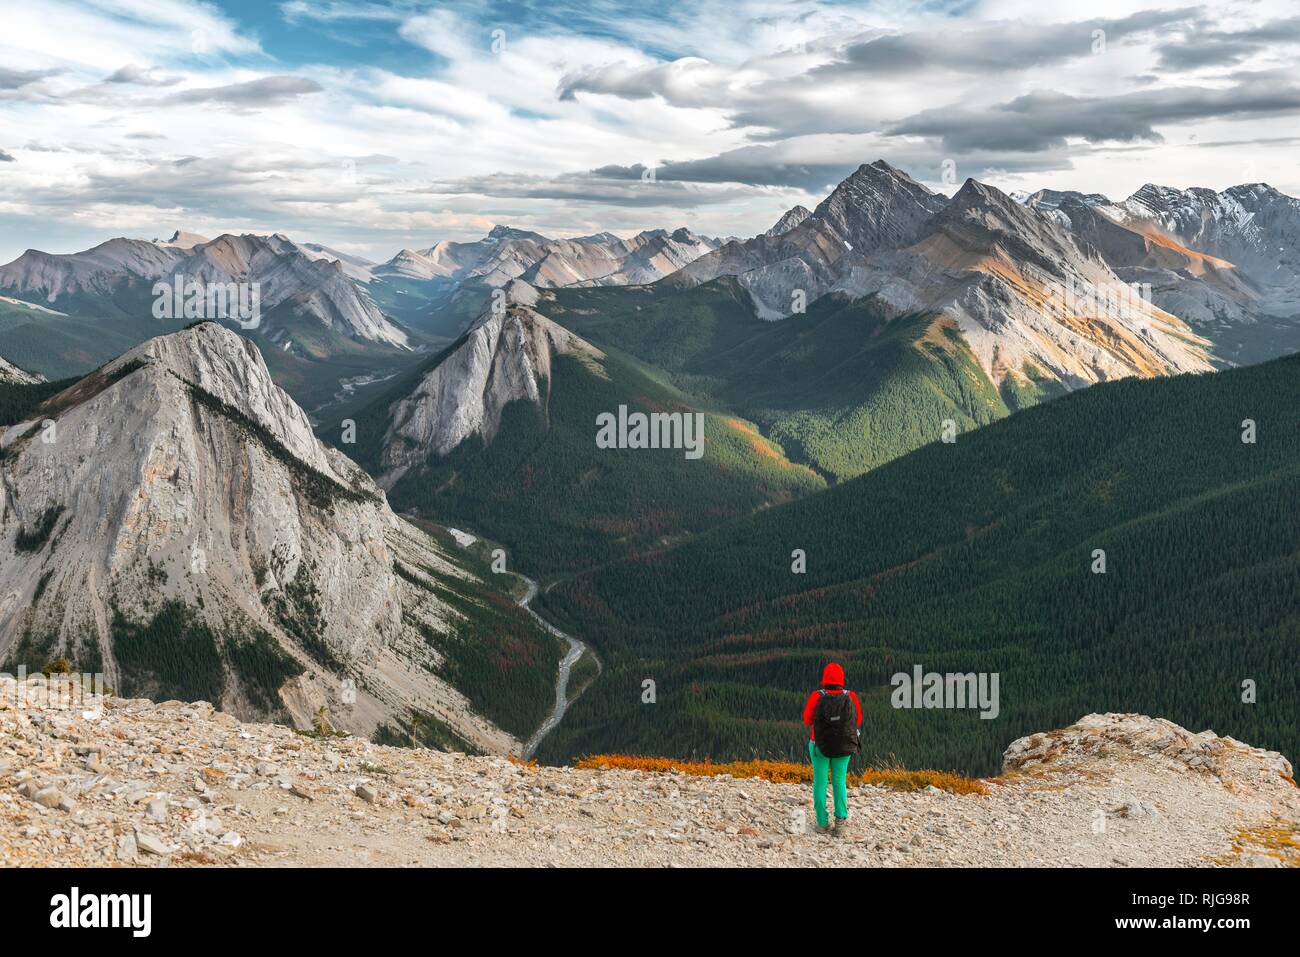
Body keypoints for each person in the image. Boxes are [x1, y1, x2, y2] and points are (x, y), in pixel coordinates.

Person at [802, 662, 863, 834]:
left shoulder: (817, 696)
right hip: (843, 747)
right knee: (839, 782)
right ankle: (841, 823)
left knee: (820, 782)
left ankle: (822, 823)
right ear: (841, 679)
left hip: (819, 745)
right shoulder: (850, 696)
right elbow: (857, 721)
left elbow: (807, 720)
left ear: (825, 679)